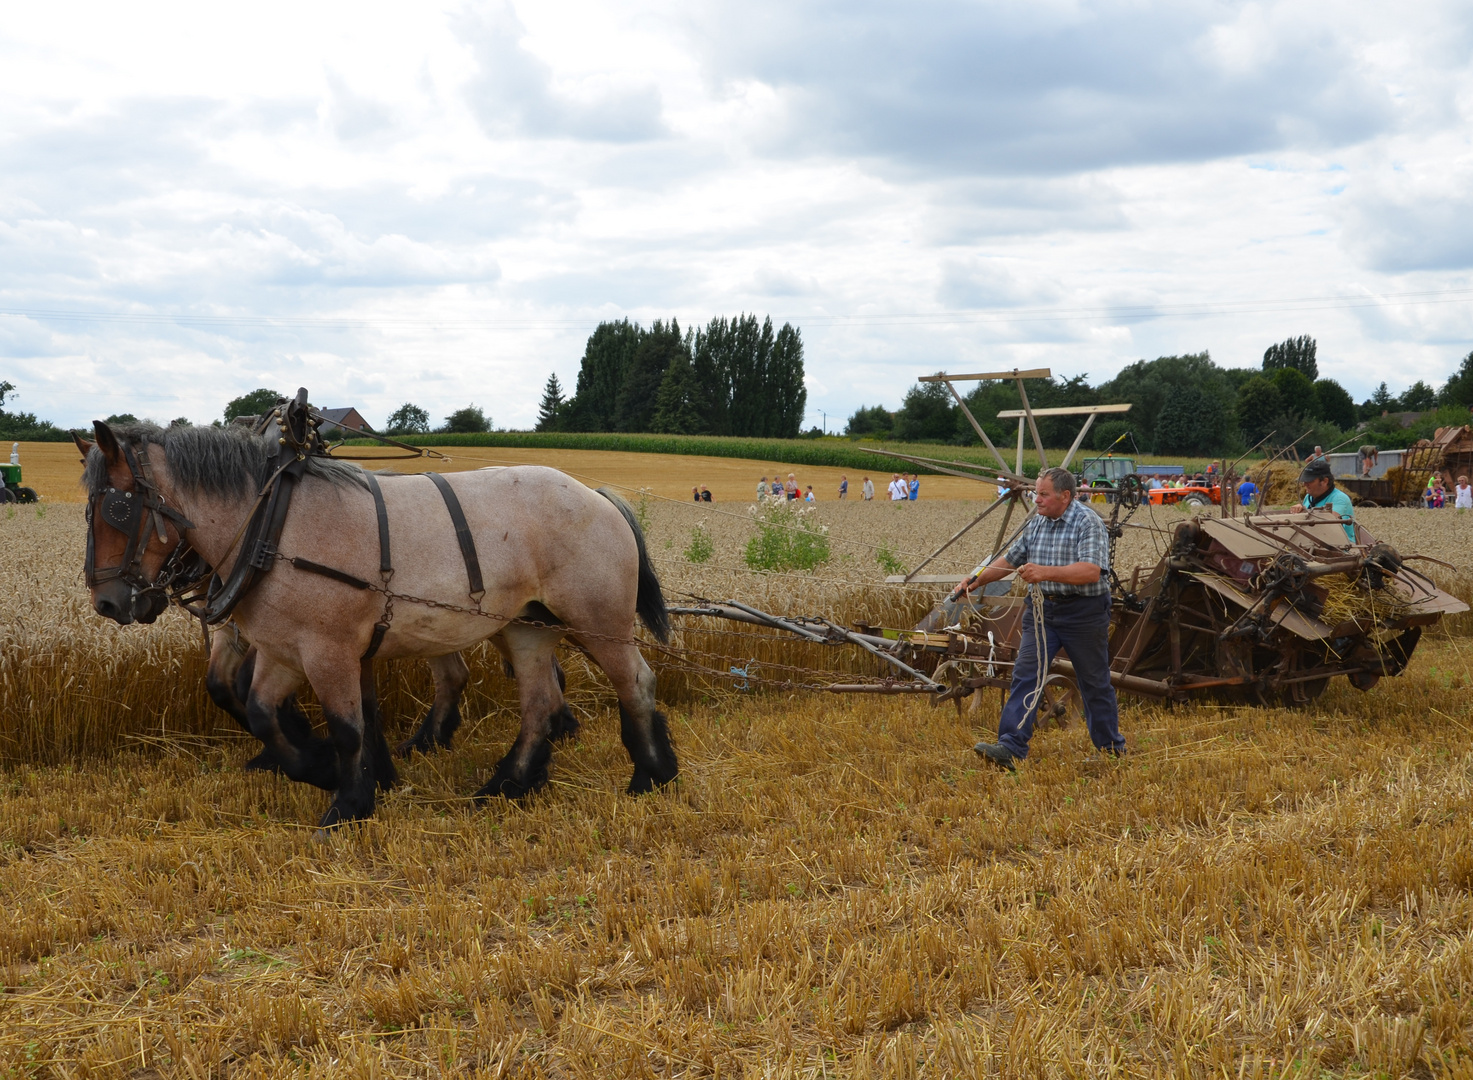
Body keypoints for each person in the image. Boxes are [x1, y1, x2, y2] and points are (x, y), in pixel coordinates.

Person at [961, 467, 1126, 769]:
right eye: (1035, 493)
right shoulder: (1037, 523)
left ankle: (1111, 750)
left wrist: (1044, 572)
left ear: (1065, 496)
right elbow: (1011, 560)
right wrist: (974, 580)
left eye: (1042, 494)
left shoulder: (1087, 522)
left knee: (1093, 682)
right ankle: (1010, 747)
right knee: (1026, 675)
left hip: (1084, 613)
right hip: (1042, 611)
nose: (1035, 499)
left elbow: (1091, 571)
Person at [1299, 459, 1355, 543]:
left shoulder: (1339, 498)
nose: (1304, 484)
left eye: (1310, 481)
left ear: (1325, 481)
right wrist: (1299, 511)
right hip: (1313, 543)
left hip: (1340, 547)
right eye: (1304, 480)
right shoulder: (1308, 497)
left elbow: (1329, 525)